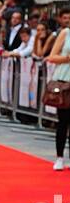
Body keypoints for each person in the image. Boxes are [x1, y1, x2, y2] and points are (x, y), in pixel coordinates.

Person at [44, 10, 70, 171]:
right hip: (65, 81)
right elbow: (52, 57)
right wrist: (67, 58)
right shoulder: (65, 33)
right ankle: (59, 157)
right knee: (63, 121)